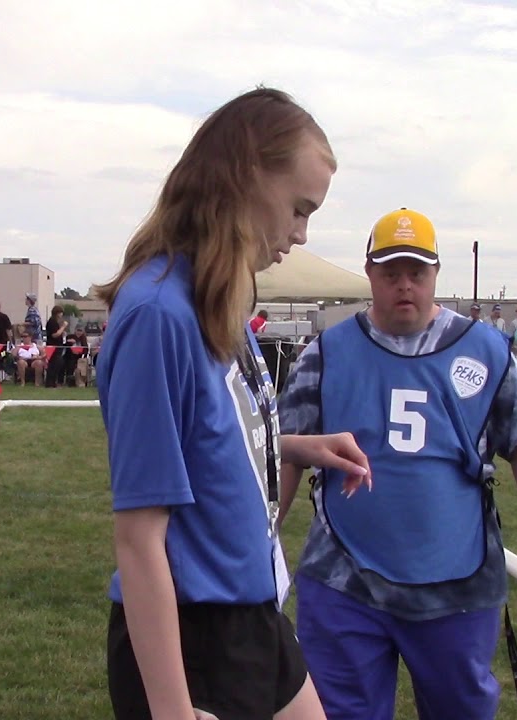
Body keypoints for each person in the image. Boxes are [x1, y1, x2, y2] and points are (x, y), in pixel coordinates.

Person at [93, 88, 372, 720]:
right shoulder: (159, 315)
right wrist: (172, 709)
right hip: (195, 641)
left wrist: (298, 447)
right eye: (299, 209)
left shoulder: (216, 298)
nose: (301, 234)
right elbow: (140, 539)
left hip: (253, 616)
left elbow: (206, 438)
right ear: (245, 176)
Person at [278, 207, 517, 720]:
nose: (404, 286)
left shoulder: (486, 351)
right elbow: (284, 446)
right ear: (370, 275)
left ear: (435, 275)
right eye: (391, 274)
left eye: (416, 273)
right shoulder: (327, 352)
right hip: (344, 574)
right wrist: (269, 529)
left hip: (455, 577)